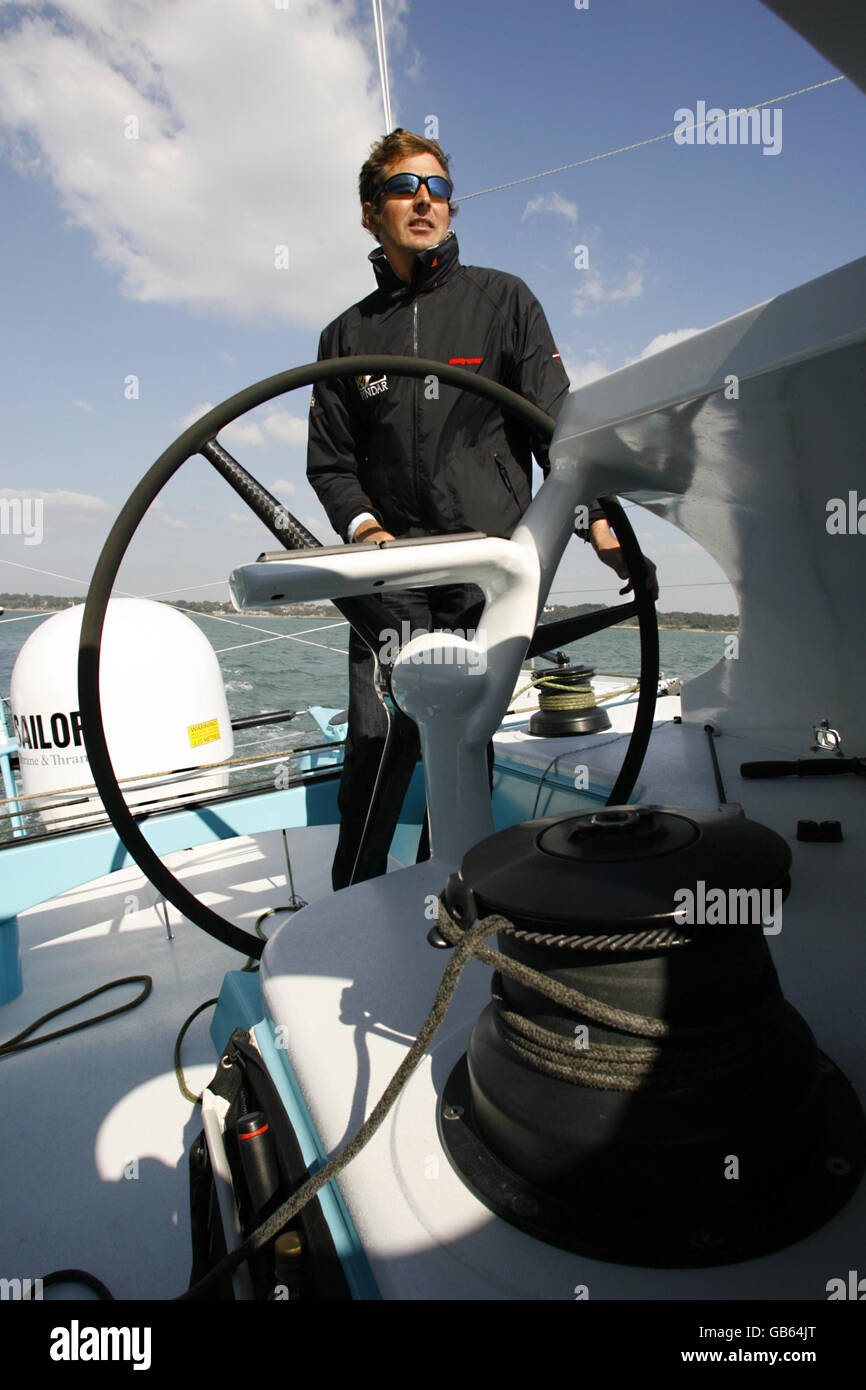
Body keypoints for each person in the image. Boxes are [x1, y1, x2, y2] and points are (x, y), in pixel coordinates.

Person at [307, 129, 657, 889]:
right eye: (404, 187)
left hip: (484, 568)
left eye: (437, 187)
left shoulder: (504, 301)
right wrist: (365, 527)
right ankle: (354, 900)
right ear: (371, 213)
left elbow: (558, 426)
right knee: (378, 739)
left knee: (468, 735)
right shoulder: (345, 337)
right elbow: (331, 464)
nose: (425, 199)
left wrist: (599, 517)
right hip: (388, 575)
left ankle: (453, 892)